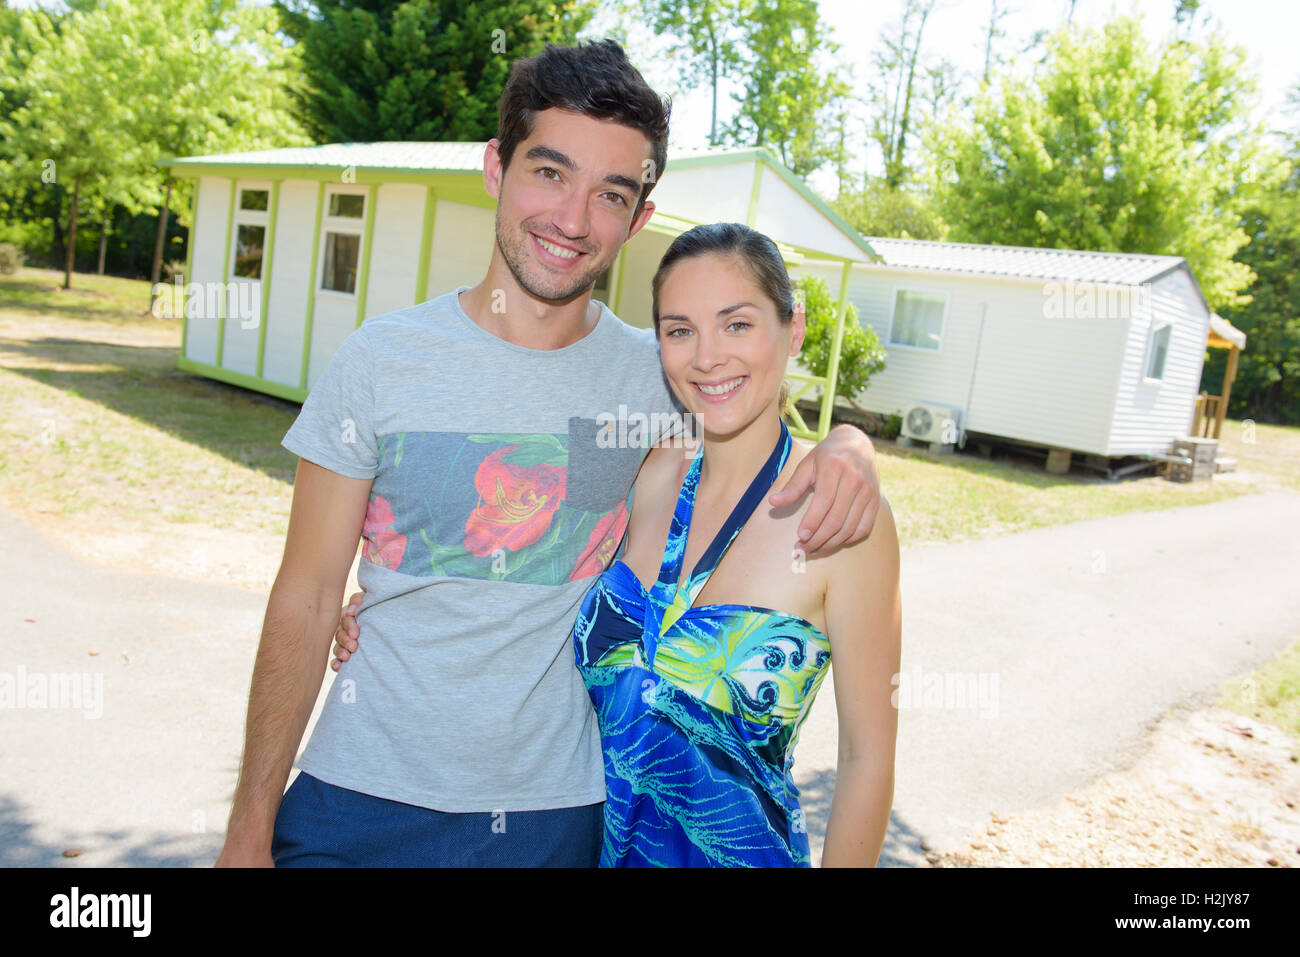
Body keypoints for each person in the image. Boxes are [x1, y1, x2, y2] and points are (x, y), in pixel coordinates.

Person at [215, 39, 884, 869]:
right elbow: (308, 597)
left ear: (638, 219)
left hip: (554, 822)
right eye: (549, 172)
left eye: (610, 193)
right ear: (497, 167)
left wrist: (853, 443)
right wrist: (246, 833)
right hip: (355, 800)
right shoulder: (379, 362)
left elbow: (756, 411)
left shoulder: (663, 371)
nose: (572, 219)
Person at [336, 223, 901, 867]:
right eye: (680, 330)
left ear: (793, 328)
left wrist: (850, 441)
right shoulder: (648, 471)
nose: (707, 356)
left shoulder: (845, 523)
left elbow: (866, 759)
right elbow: (518, 552)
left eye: (737, 324)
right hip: (575, 847)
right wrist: (385, 611)